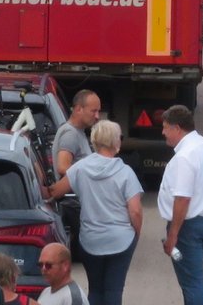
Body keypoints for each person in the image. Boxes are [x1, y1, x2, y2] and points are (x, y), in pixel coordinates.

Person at [157, 105, 203, 305]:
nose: (163, 133)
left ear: (177, 128)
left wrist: (173, 235)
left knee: (192, 283)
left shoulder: (184, 157)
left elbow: (182, 199)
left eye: (165, 127)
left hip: (187, 228)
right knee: (193, 278)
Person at [71, 119, 143, 305]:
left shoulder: (80, 168)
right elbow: (135, 211)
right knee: (113, 289)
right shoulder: (125, 172)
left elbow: (56, 191)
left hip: (90, 239)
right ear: (115, 142)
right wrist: (136, 232)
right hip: (120, 239)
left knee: (95, 289)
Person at [42, 89, 103, 242]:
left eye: (98, 111)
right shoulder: (70, 134)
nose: (97, 116)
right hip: (74, 205)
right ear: (78, 109)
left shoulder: (79, 132)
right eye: (93, 111)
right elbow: (63, 167)